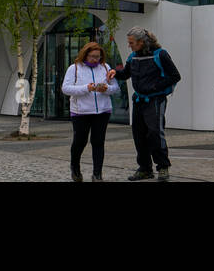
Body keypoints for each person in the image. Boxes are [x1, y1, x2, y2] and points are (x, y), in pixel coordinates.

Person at [107, 27, 180, 182]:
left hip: (155, 100)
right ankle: (145, 169)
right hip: (138, 100)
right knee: (138, 135)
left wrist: (154, 87)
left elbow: (175, 76)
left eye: (131, 42)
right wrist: (115, 73)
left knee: (154, 133)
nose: (129, 45)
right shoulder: (133, 56)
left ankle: (163, 167)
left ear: (141, 42)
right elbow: (126, 73)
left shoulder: (160, 54)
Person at [61, 41, 119, 182]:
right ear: (85, 55)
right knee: (80, 142)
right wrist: (86, 88)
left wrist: (106, 89)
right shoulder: (74, 68)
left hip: (102, 111)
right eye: (92, 56)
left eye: (98, 56)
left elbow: (116, 88)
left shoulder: (105, 67)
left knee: (98, 142)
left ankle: (97, 174)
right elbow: (66, 88)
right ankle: (75, 167)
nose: (95, 59)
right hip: (81, 112)